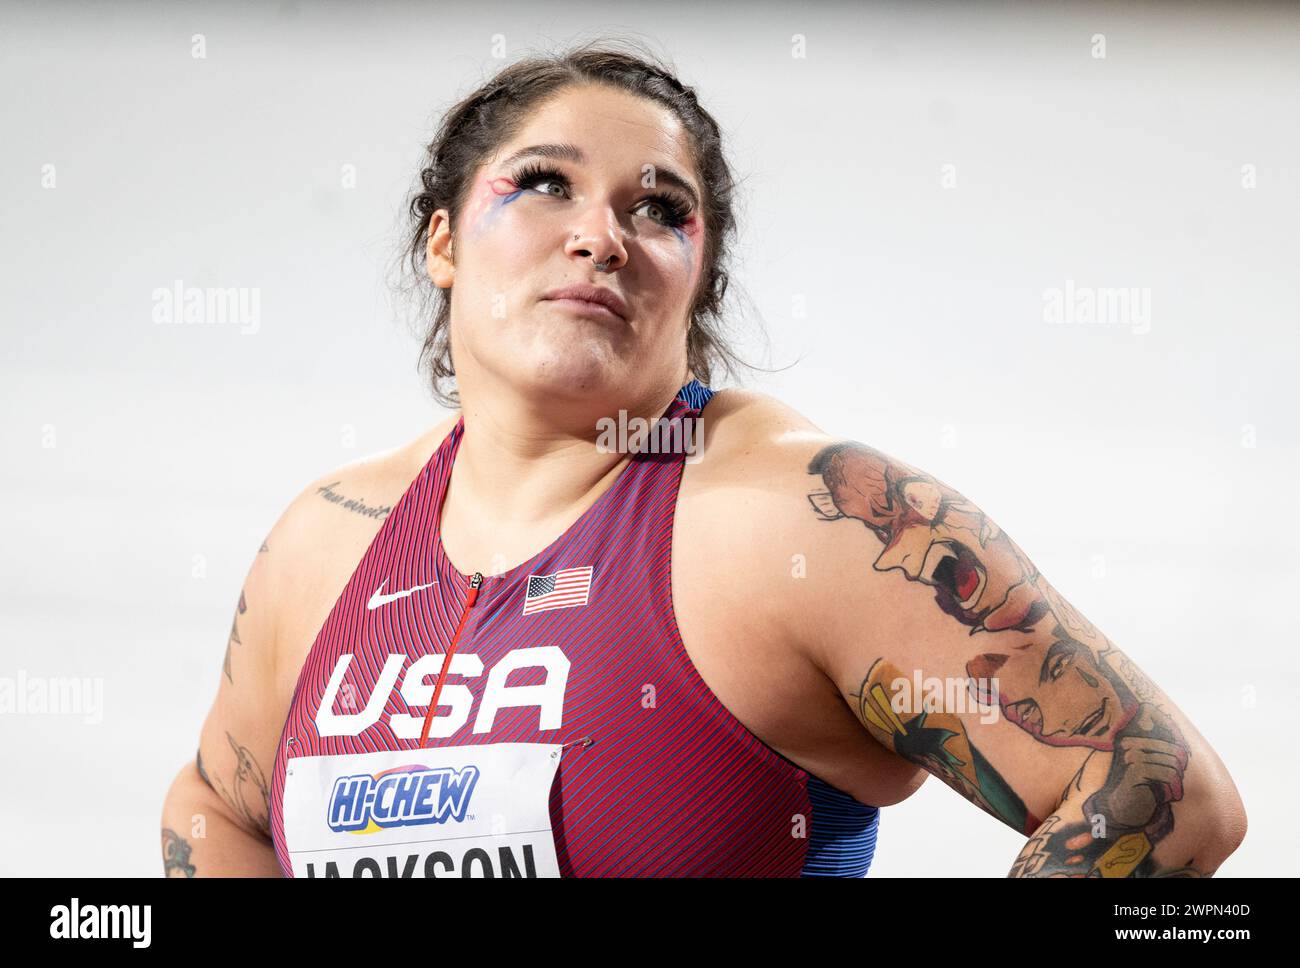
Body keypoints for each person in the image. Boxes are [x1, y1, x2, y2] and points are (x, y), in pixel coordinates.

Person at [160, 40, 1246, 878]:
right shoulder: (330, 538)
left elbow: (1160, 792)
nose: (601, 234)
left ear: (698, 279)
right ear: (442, 242)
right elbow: (214, 807)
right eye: (544, 183)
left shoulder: (799, 519)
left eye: (660, 209)